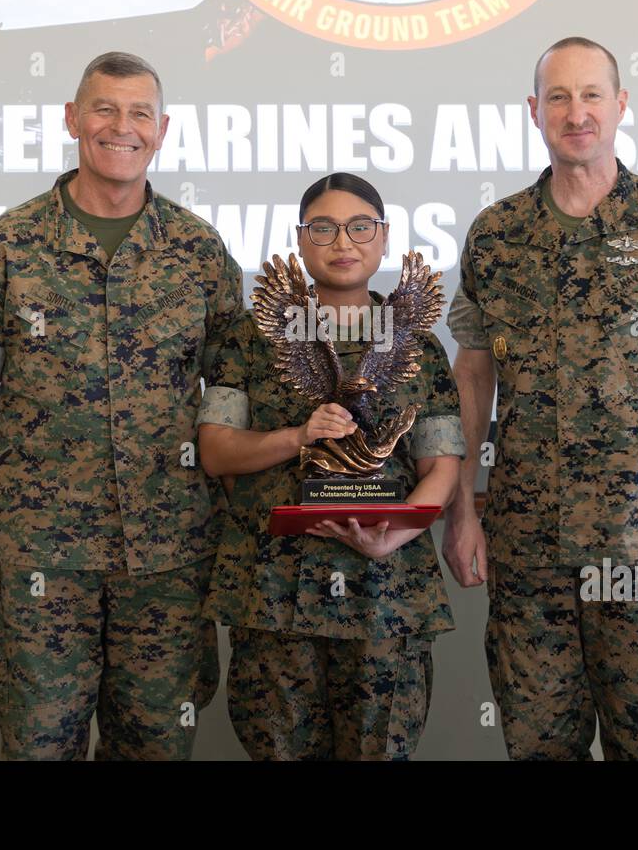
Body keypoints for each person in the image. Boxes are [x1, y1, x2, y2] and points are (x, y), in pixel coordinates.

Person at [0, 52, 243, 760]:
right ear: (72, 119)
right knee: (39, 746)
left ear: (161, 131)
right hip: (43, 555)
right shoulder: (9, 247)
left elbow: (232, 405)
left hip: (169, 555)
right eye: (104, 109)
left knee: (158, 747)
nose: (121, 127)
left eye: (139, 114)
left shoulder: (198, 252)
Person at [444, 37, 638, 760]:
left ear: (620, 105)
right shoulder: (496, 237)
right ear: (534, 111)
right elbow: (471, 378)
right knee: (538, 747)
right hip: (528, 551)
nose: (575, 112)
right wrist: (462, 510)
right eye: (557, 96)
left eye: (590, 95)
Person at [197, 173, 465, 760]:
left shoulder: (417, 344)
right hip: (273, 589)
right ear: (301, 239)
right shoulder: (252, 336)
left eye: (359, 226)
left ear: (384, 238)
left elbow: (442, 464)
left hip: (384, 588)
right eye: (323, 227)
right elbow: (216, 449)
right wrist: (298, 435)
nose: (342, 241)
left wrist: (399, 533)